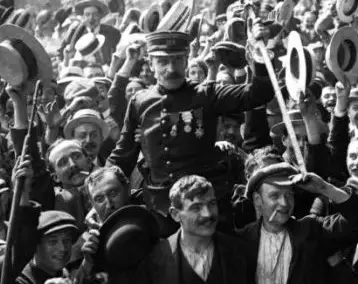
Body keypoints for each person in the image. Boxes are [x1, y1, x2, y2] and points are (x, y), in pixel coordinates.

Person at [108, 29, 274, 235]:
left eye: (178, 60)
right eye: (162, 61)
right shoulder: (139, 102)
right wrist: (100, 185)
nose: (171, 68)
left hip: (208, 208)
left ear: (187, 60)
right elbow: (123, 155)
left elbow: (259, 93)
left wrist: (259, 53)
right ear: (151, 64)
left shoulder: (206, 94)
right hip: (163, 213)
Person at [238, 163, 358, 284]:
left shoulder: (311, 230)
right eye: (274, 196)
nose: (284, 203)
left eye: (289, 195)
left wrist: (325, 188)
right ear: (258, 200)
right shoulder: (242, 240)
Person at [132, 175, 255, 284]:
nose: (207, 214)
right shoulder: (155, 261)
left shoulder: (239, 251)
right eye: (196, 208)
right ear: (175, 214)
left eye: (212, 204)